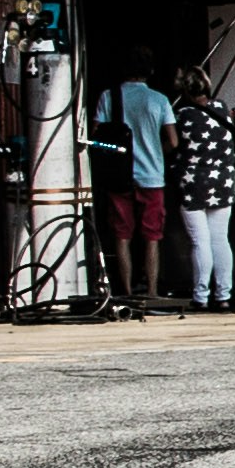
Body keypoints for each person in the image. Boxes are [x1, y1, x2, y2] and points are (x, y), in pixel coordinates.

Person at [96, 62, 172, 310]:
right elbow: (173, 140)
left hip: (119, 174)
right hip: (152, 175)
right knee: (152, 235)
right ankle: (152, 291)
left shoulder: (109, 96)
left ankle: (126, 291)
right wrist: (156, 154)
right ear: (150, 71)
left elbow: (97, 133)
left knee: (122, 234)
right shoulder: (159, 100)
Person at [171, 64, 235, 310]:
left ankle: (200, 296)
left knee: (199, 241)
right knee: (220, 239)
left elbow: (174, 145)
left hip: (193, 183)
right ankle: (224, 295)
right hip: (223, 181)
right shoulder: (221, 108)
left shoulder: (182, 115)